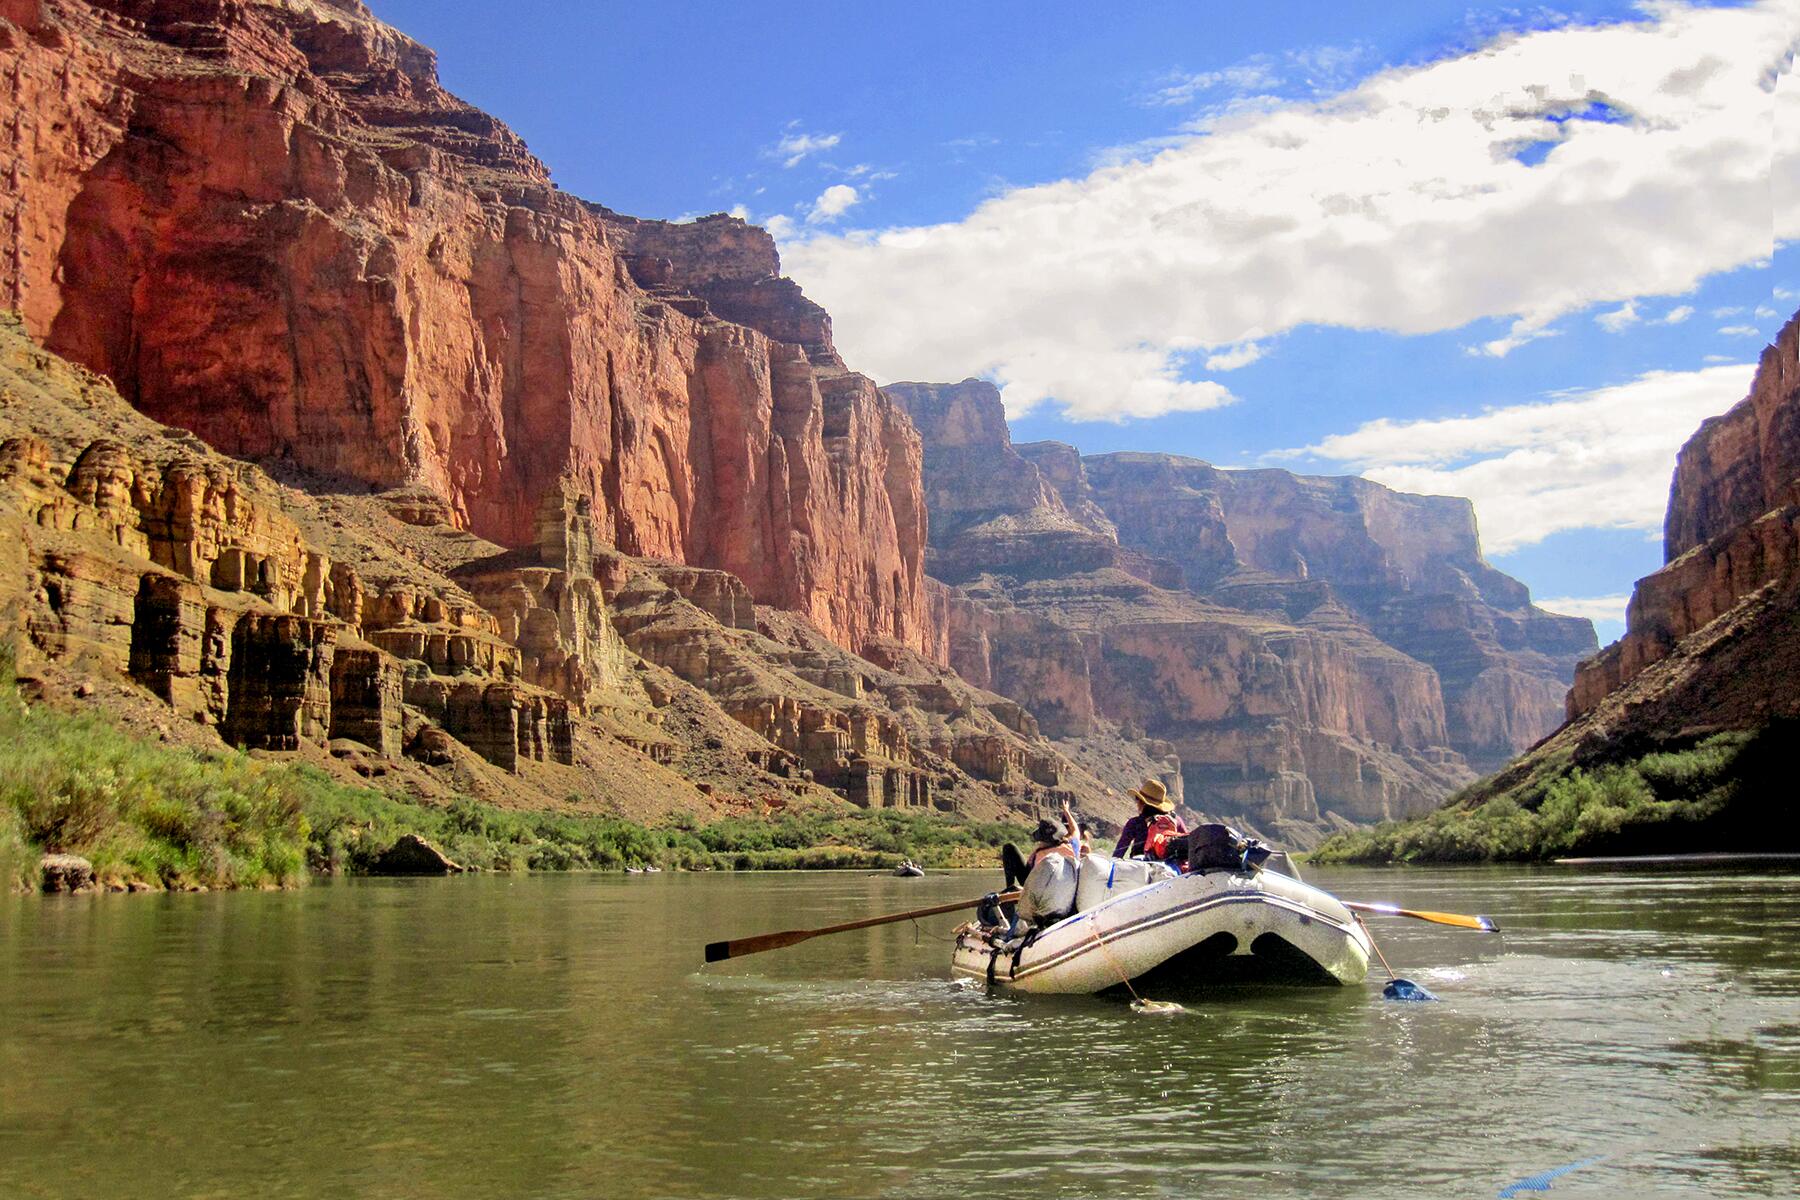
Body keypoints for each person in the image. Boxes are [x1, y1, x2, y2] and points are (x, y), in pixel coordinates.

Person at [1112, 778, 1187, 862]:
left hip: (1140, 869)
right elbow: (1187, 844)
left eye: (1137, 799)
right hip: (1171, 870)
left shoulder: (1134, 823)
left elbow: (1118, 854)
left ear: (1142, 802)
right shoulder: (1176, 820)